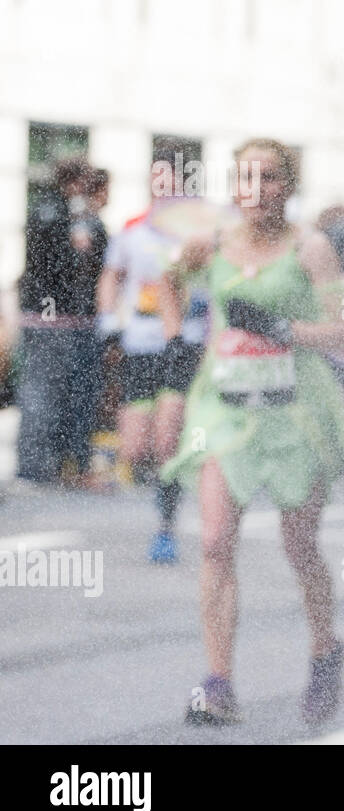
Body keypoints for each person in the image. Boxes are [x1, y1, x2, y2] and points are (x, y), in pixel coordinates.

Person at [160, 139, 344, 727]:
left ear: (289, 185)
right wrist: (177, 342)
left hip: (295, 409)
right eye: (246, 176)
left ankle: (325, 650)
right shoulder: (213, 243)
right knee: (214, 540)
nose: (257, 189)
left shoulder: (312, 249)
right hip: (226, 408)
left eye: (270, 177)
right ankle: (218, 682)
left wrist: (282, 326)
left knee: (297, 544)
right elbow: (166, 280)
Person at [96, 141, 210, 561]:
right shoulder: (132, 232)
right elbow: (111, 277)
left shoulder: (197, 236)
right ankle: (173, 481)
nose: (162, 190)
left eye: (171, 183)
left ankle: (166, 526)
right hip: (140, 343)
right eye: (156, 182)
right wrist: (108, 323)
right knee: (135, 448)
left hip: (183, 344)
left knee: (167, 440)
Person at [16, 157, 107, 485]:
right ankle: (40, 466)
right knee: (46, 392)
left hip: (57, 317)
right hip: (54, 318)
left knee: (54, 392)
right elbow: (60, 265)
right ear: (75, 181)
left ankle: (49, 464)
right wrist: (79, 246)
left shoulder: (50, 209)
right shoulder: (59, 213)